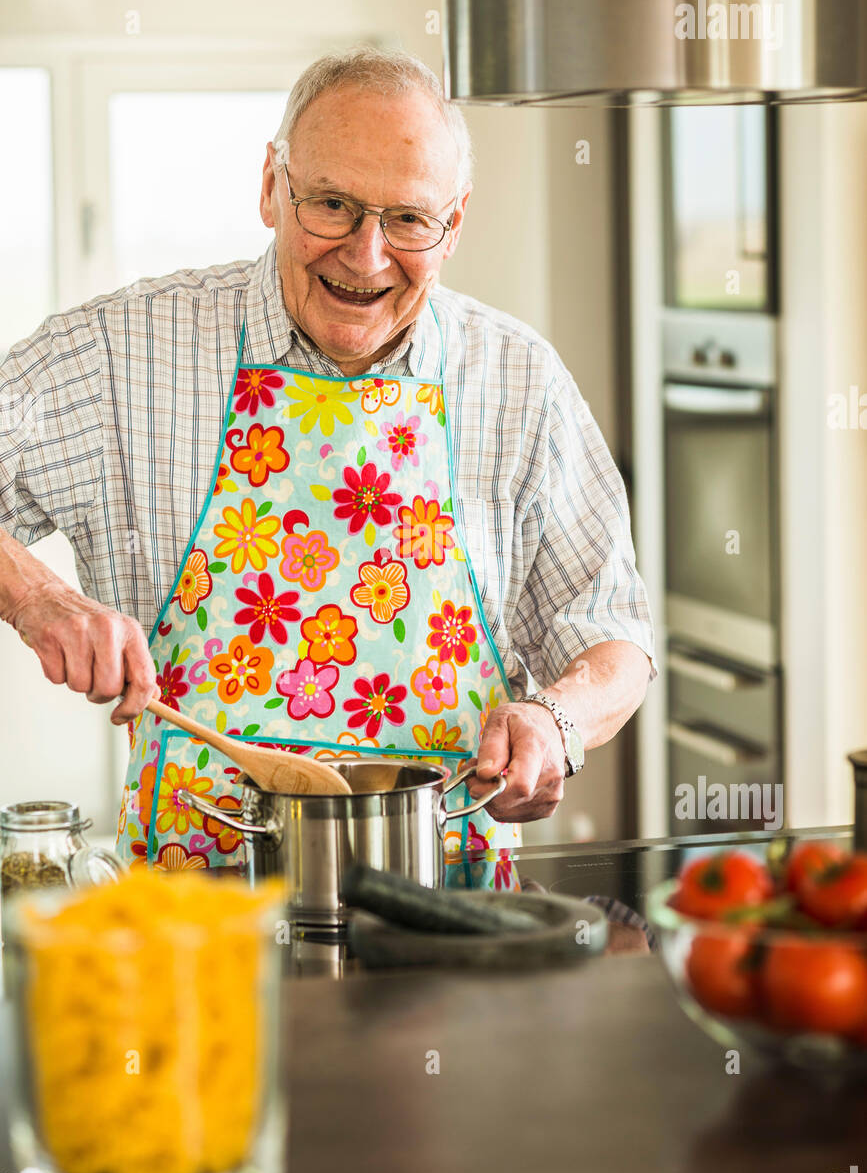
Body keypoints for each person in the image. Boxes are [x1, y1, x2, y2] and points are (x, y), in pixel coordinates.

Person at [0, 47, 656, 872]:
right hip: (199, 933)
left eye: (409, 220)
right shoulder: (117, 354)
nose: (367, 255)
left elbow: (615, 635)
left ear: (454, 224)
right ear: (272, 187)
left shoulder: (521, 380)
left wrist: (555, 723)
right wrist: (38, 597)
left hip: (449, 921)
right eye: (333, 205)